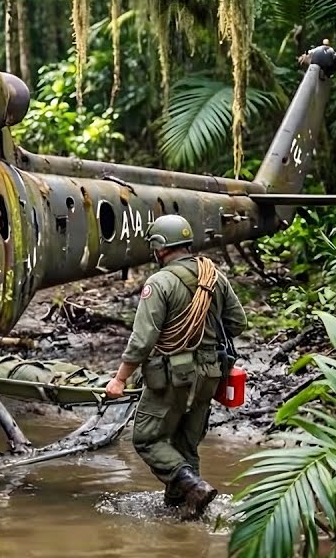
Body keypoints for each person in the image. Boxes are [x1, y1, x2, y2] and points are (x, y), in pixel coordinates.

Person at [105, 214, 246, 517]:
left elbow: (142, 341)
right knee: (186, 443)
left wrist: (119, 380)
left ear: (160, 246)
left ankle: (192, 486)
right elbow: (238, 322)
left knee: (145, 438)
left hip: (171, 376)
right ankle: (184, 509)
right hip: (210, 373)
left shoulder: (160, 282)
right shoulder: (215, 276)